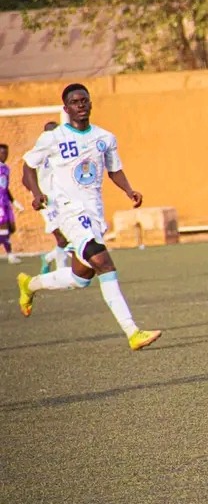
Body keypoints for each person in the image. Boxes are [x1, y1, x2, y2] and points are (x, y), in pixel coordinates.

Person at [17, 83, 161, 351]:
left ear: (91, 104)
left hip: (94, 214)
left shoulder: (105, 138)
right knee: (104, 263)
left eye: (84, 100)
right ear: (66, 108)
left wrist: (130, 190)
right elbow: (28, 166)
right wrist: (36, 193)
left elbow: (114, 169)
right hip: (69, 212)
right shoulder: (53, 138)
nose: (80, 104)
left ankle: (31, 284)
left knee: (81, 278)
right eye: (74, 101)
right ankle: (132, 331)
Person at [37, 120, 72, 274]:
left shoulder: (61, 152)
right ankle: (62, 271)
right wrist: (37, 194)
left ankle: (49, 258)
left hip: (62, 198)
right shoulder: (39, 152)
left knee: (68, 236)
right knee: (62, 238)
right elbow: (26, 175)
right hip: (47, 201)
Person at [0, 143, 25, 264]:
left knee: (11, 228)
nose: (5, 155)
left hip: (5, 202)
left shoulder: (5, 168)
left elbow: (5, 187)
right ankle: (10, 255)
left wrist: (14, 202)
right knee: (4, 229)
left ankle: (10, 254)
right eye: (2, 153)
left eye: (6, 153)